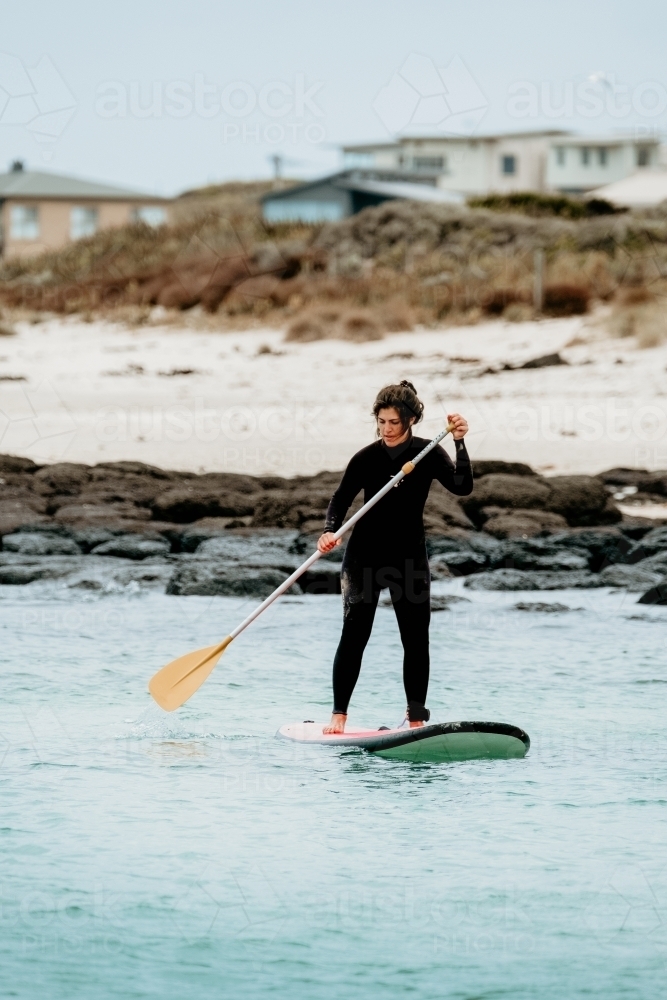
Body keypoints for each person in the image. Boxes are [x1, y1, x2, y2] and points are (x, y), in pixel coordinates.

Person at [317, 381, 472, 734]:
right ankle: (339, 715)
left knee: (416, 639)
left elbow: (462, 486)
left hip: (408, 560)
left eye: (394, 423)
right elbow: (340, 499)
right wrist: (331, 531)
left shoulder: (428, 453)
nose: (387, 429)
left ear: (412, 420)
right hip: (363, 559)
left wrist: (460, 441)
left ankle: (415, 718)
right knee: (355, 635)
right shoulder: (366, 457)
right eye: (381, 422)